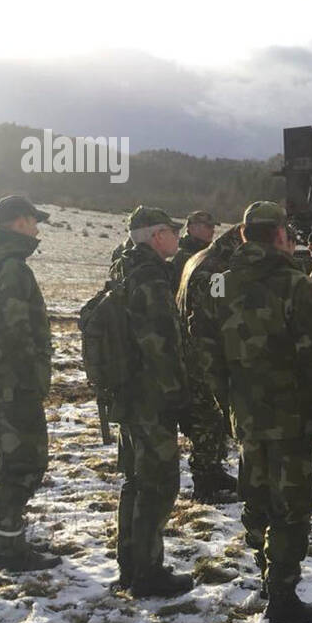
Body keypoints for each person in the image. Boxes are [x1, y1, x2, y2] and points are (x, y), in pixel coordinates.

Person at [193, 202, 312, 623]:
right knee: (292, 506)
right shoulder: (295, 284)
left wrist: (225, 398)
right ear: (278, 234)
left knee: (256, 496)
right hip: (291, 416)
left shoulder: (219, 283)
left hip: (245, 413)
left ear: (242, 234)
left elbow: (203, 344)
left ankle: (267, 574)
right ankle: (282, 593)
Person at [0, 196, 59, 571]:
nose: (37, 229)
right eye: (33, 221)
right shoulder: (14, 269)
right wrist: (31, 374)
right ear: (19, 223)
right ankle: (10, 550)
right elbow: (13, 331)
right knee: (22, 466)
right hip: (14, 382)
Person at [110, 206, 193, 598]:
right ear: (157, 235)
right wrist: (178, 394)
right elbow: (163, 344)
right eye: (173, 230)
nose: (178, 237)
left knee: (136, 480)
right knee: (159, 483)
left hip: (127, 392)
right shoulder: (151, 279)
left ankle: (130, 564)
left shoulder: (123, 269)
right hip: (151, 396)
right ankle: (147, 571)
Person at [175, 225, 241, 503]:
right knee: (208, 419)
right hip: (201, 355)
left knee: (209, 418)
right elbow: (208, 315)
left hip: (192, 351)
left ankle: (212, 470)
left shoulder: (201, 258)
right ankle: (205, 480)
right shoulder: (215, 269)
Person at [171, 211, 217, 286]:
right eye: (208, 227)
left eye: (213, 227)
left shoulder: (212, 253)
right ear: (192, 228)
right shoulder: (179, 255)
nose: (212, 231)